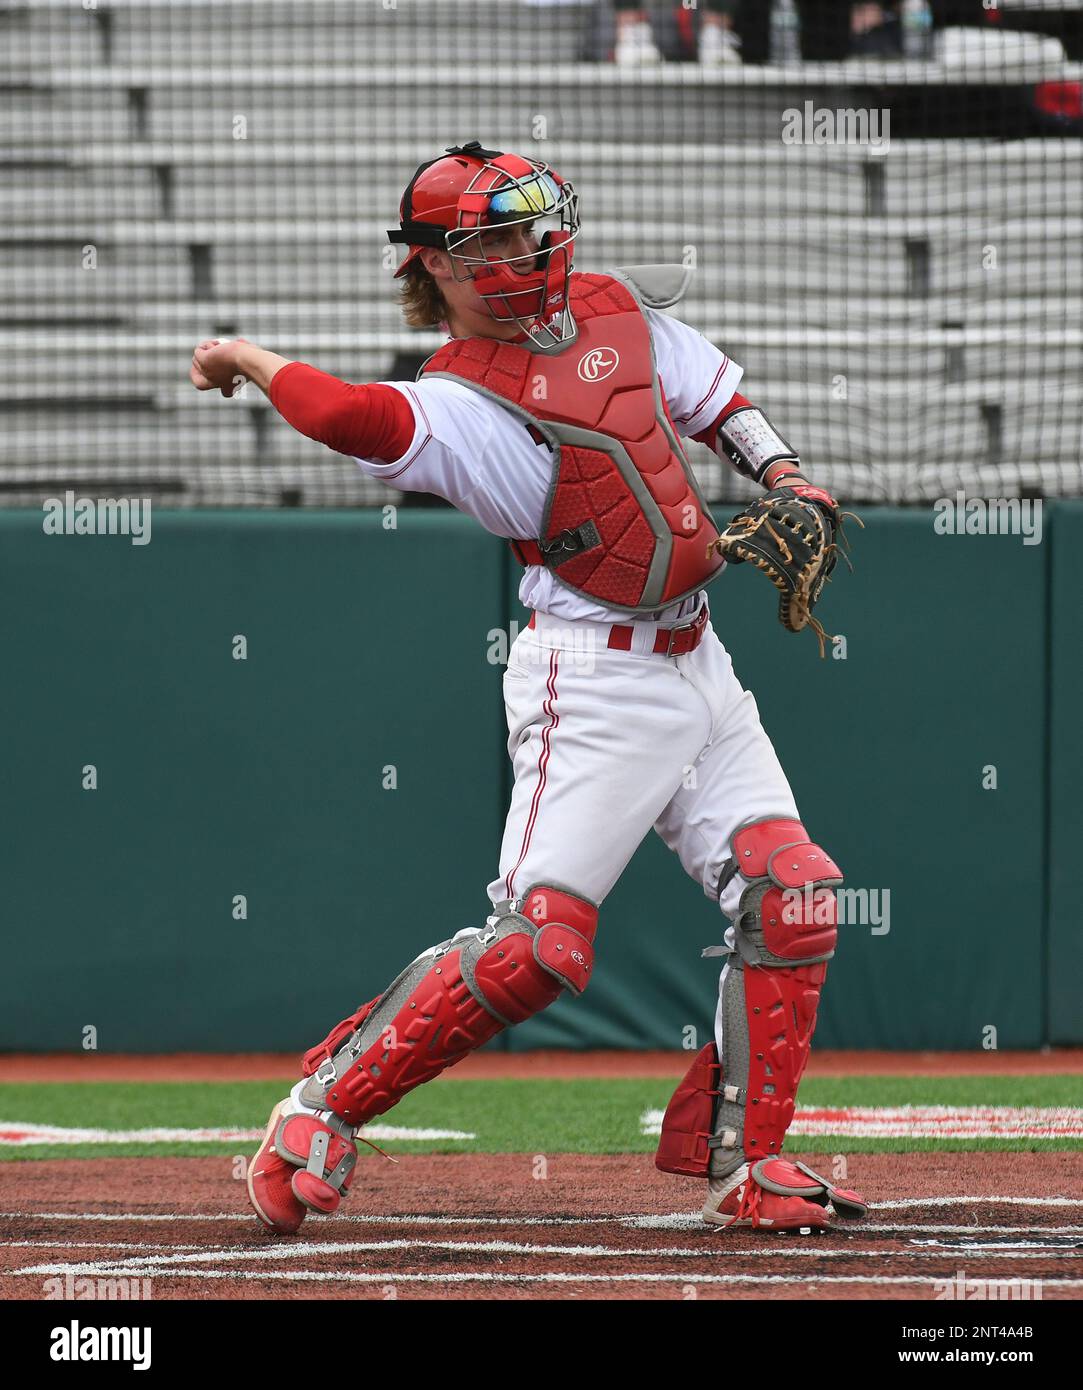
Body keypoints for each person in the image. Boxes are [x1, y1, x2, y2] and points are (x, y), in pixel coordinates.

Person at [190, 139, 867, 1235]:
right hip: (589, 678)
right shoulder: (457, 401)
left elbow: (718, 397)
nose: (529, 246)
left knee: (795, 893)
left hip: (700, 661)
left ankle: (749, 1160)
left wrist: (786, 476)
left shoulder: (611, 311)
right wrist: (251, 358)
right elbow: (349, 417)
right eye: (494, 236)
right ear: (438, 267)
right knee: (536, 947)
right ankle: (319, 1105)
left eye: (534, 222)